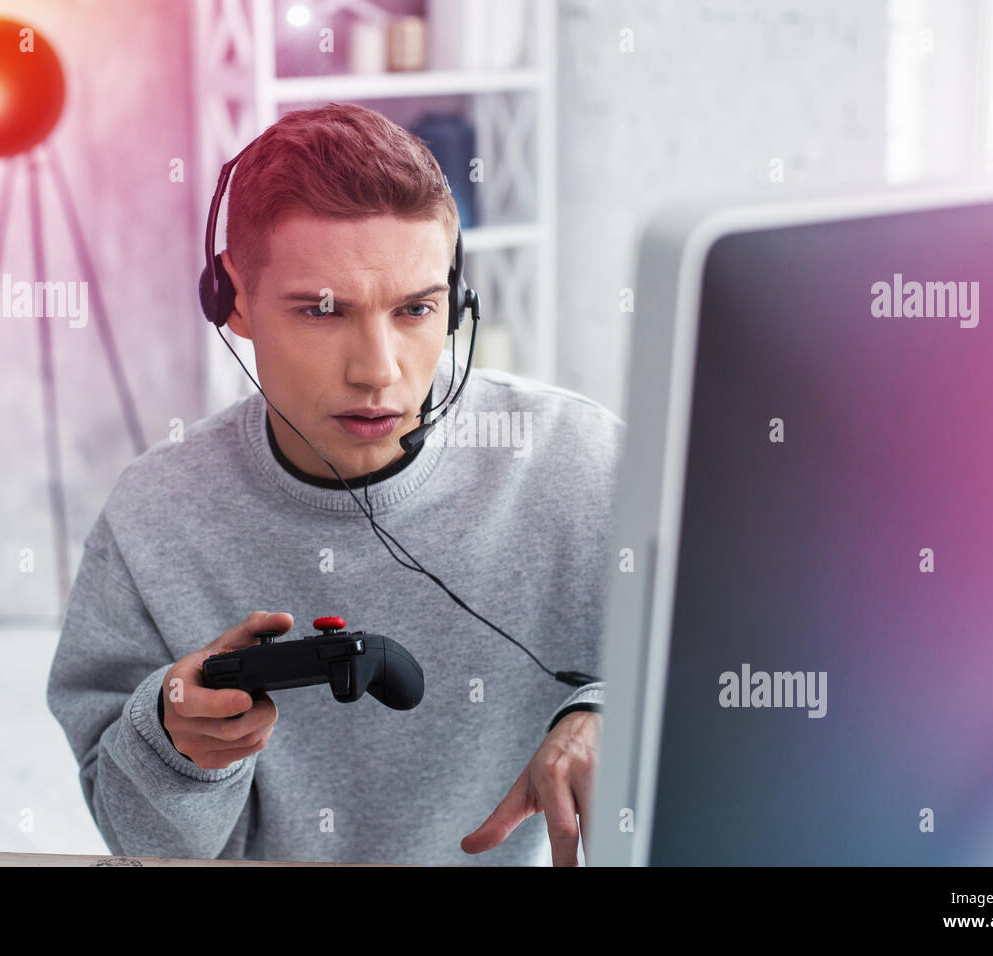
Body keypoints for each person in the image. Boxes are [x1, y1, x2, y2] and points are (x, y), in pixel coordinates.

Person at [46, 103, 623, 865]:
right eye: (323, 311)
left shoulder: (582, 462)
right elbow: (136, 839)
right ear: (235, 300)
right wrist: (176, 748)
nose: (378, 370)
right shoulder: (154, 520)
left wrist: (607, 713)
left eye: (417, 309)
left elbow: (726, 682)